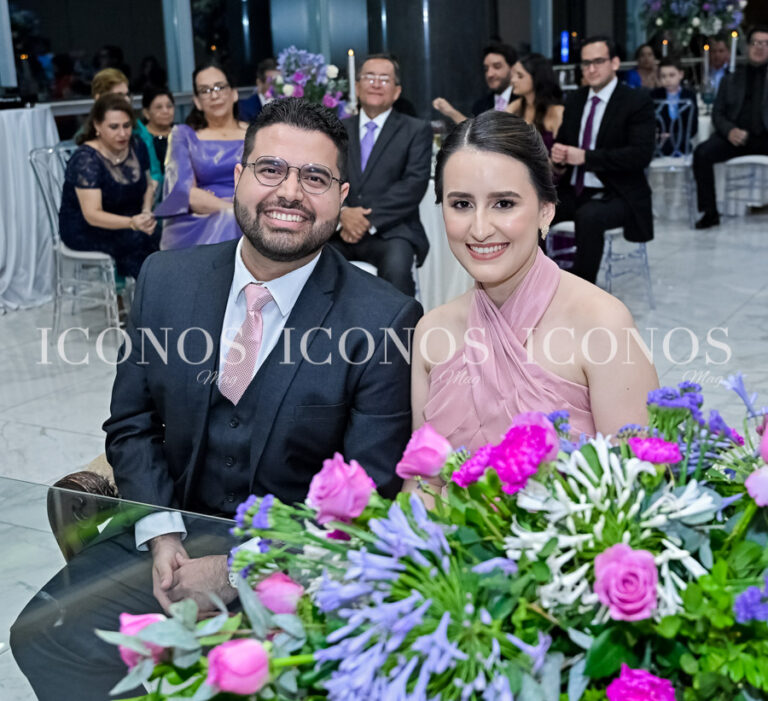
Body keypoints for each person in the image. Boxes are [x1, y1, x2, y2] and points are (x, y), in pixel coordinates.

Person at [11, 98, 421, 701]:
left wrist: (236, 571)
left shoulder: (382, 319)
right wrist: (161, 531)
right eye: (271, 169)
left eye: (315, 177)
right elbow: (131, 423)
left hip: (292, 564)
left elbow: (370, 491)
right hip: (167, 531)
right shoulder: (166, 281)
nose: (290, 192)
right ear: (238, 177)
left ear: (340, 197)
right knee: (40, 636)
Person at [409, 110, 658, 460]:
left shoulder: (602, 324)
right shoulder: (432, 330)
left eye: (504, 203)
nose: (479, 229)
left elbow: (637, 486)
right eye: (462, 204)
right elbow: (423, 483)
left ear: (546, 210)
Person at [550, 36, 655, 284]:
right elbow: (565, 145)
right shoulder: (575, 100)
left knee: (590, 217)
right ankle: (534, 282)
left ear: (615, 63)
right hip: (577, 190)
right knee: (535, 210)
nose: (591, 69)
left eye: (598, 61)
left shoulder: (635, 101)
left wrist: (586, 157)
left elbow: (640, 155)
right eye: (586, 63)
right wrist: (559, 158)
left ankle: (581, 291)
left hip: (619, 193)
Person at [329, 53, 432, 296]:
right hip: (340, 230)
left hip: (392, 231)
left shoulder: (415, 130)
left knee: (397, 271)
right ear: (356, 86)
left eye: (384, 79)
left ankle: (398, 334)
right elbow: (326, 177)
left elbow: (413, 184)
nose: (376, 84)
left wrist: (365, 219)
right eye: (369, 77)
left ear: (397, 91)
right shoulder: (337, 129)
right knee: (311, 265)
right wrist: (343, 214)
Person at [58, 94, 158, 279]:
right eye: (114, 127)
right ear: (97, 126)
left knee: (163, 232)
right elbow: (92, 215)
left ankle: (153, 293)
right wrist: (132, 223)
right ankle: (147, 299)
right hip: (87, 228)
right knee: (138, 241)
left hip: (131, 218)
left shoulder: (137, 145)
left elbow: (149, 185)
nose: (122, 133)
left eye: (127, 126)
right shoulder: (86, 159)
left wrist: (145, 212)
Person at [153, 61, 247, 249]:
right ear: (197, 101)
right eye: (205, 90)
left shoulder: (258, 133)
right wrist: (235, 212)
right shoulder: (183, 136)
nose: (214, 95)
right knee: (227, 220)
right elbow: (185, 192)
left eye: (220, 87)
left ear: (234, 93)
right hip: (205, 219)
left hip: (255, 209)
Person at [692, 25, 768, 229]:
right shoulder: (731, 78)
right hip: (735, 137)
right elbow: (718, 113)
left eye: (765, 43)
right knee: (702, 153)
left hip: (765, 138)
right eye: (755, 43)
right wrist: (729, 131)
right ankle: (710, 212)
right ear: (748, 46)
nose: (759, 47)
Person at [84, 68, 163, 188]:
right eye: (119, 95)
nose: (126, 100)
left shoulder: (138, 127)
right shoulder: (86, 137)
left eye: (127, 94)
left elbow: (155, 172)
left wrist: (150, 195)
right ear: (99, 98)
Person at [432, 42, 518, 124]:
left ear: (512, 69)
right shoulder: (480, 105)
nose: (489, 74)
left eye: (497, 67)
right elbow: (473, 134)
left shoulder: (523, 100)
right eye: (486, 69)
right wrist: (450, 112)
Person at [505, 53, 564, 153]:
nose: (513, 80)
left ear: (537, 78)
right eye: (513, 75)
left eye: (520, 76)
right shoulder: (516, 106)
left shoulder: (556, 111)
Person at [650, 57, 698, 156]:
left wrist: (673, 136)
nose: (667, 80)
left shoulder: (689, 95)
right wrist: (659, 136)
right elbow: (651, 122)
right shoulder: (654, 96)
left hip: (682, 142)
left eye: (671, 75)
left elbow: (693, 127)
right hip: (660, 143)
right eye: (663, 76)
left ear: (681, 74)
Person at [141, 85, 175, 173]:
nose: (166, 111)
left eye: (169, 106)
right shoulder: (141, 139)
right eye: (159, 107)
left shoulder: (181, 133)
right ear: (146, 113)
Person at [238, 57, 280, 122]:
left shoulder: (288, 104)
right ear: (259, 83)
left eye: (281, 82)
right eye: (273, 83)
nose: (278, 87)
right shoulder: (244, 108)